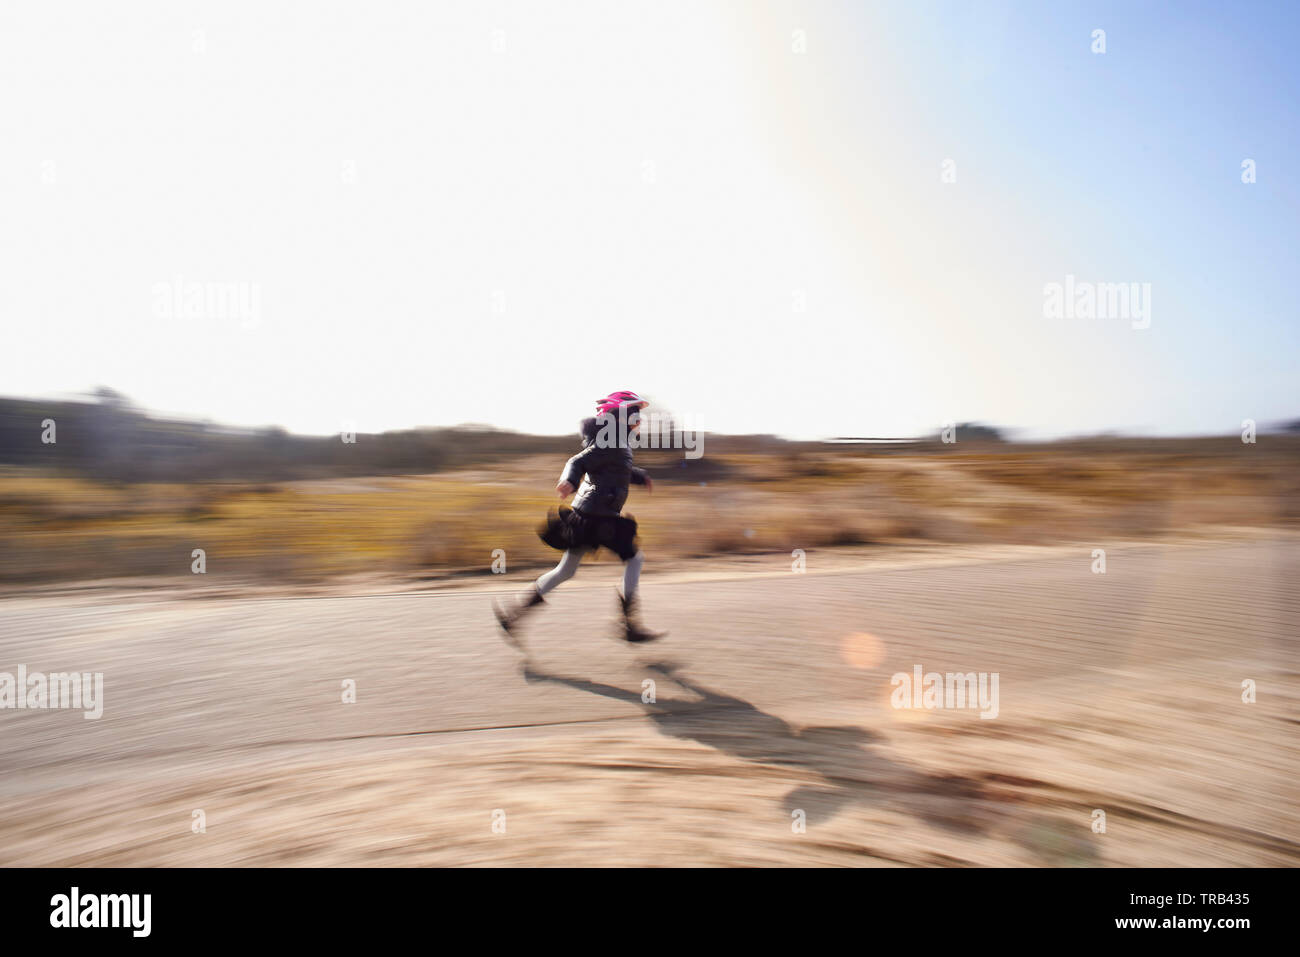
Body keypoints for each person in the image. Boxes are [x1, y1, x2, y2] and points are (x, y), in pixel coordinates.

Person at [494, 390, 666, 645]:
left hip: (589, 516)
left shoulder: (617, 442)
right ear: (616, 417)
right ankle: (630, 626)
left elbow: (617, 471)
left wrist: (640, 477)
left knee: (565, 571)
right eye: (634, 415)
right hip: (600, 517)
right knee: (635, 559)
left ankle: (515, 615)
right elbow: (577, 462)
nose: (638, 420)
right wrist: (569, 481)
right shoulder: (611, 442)